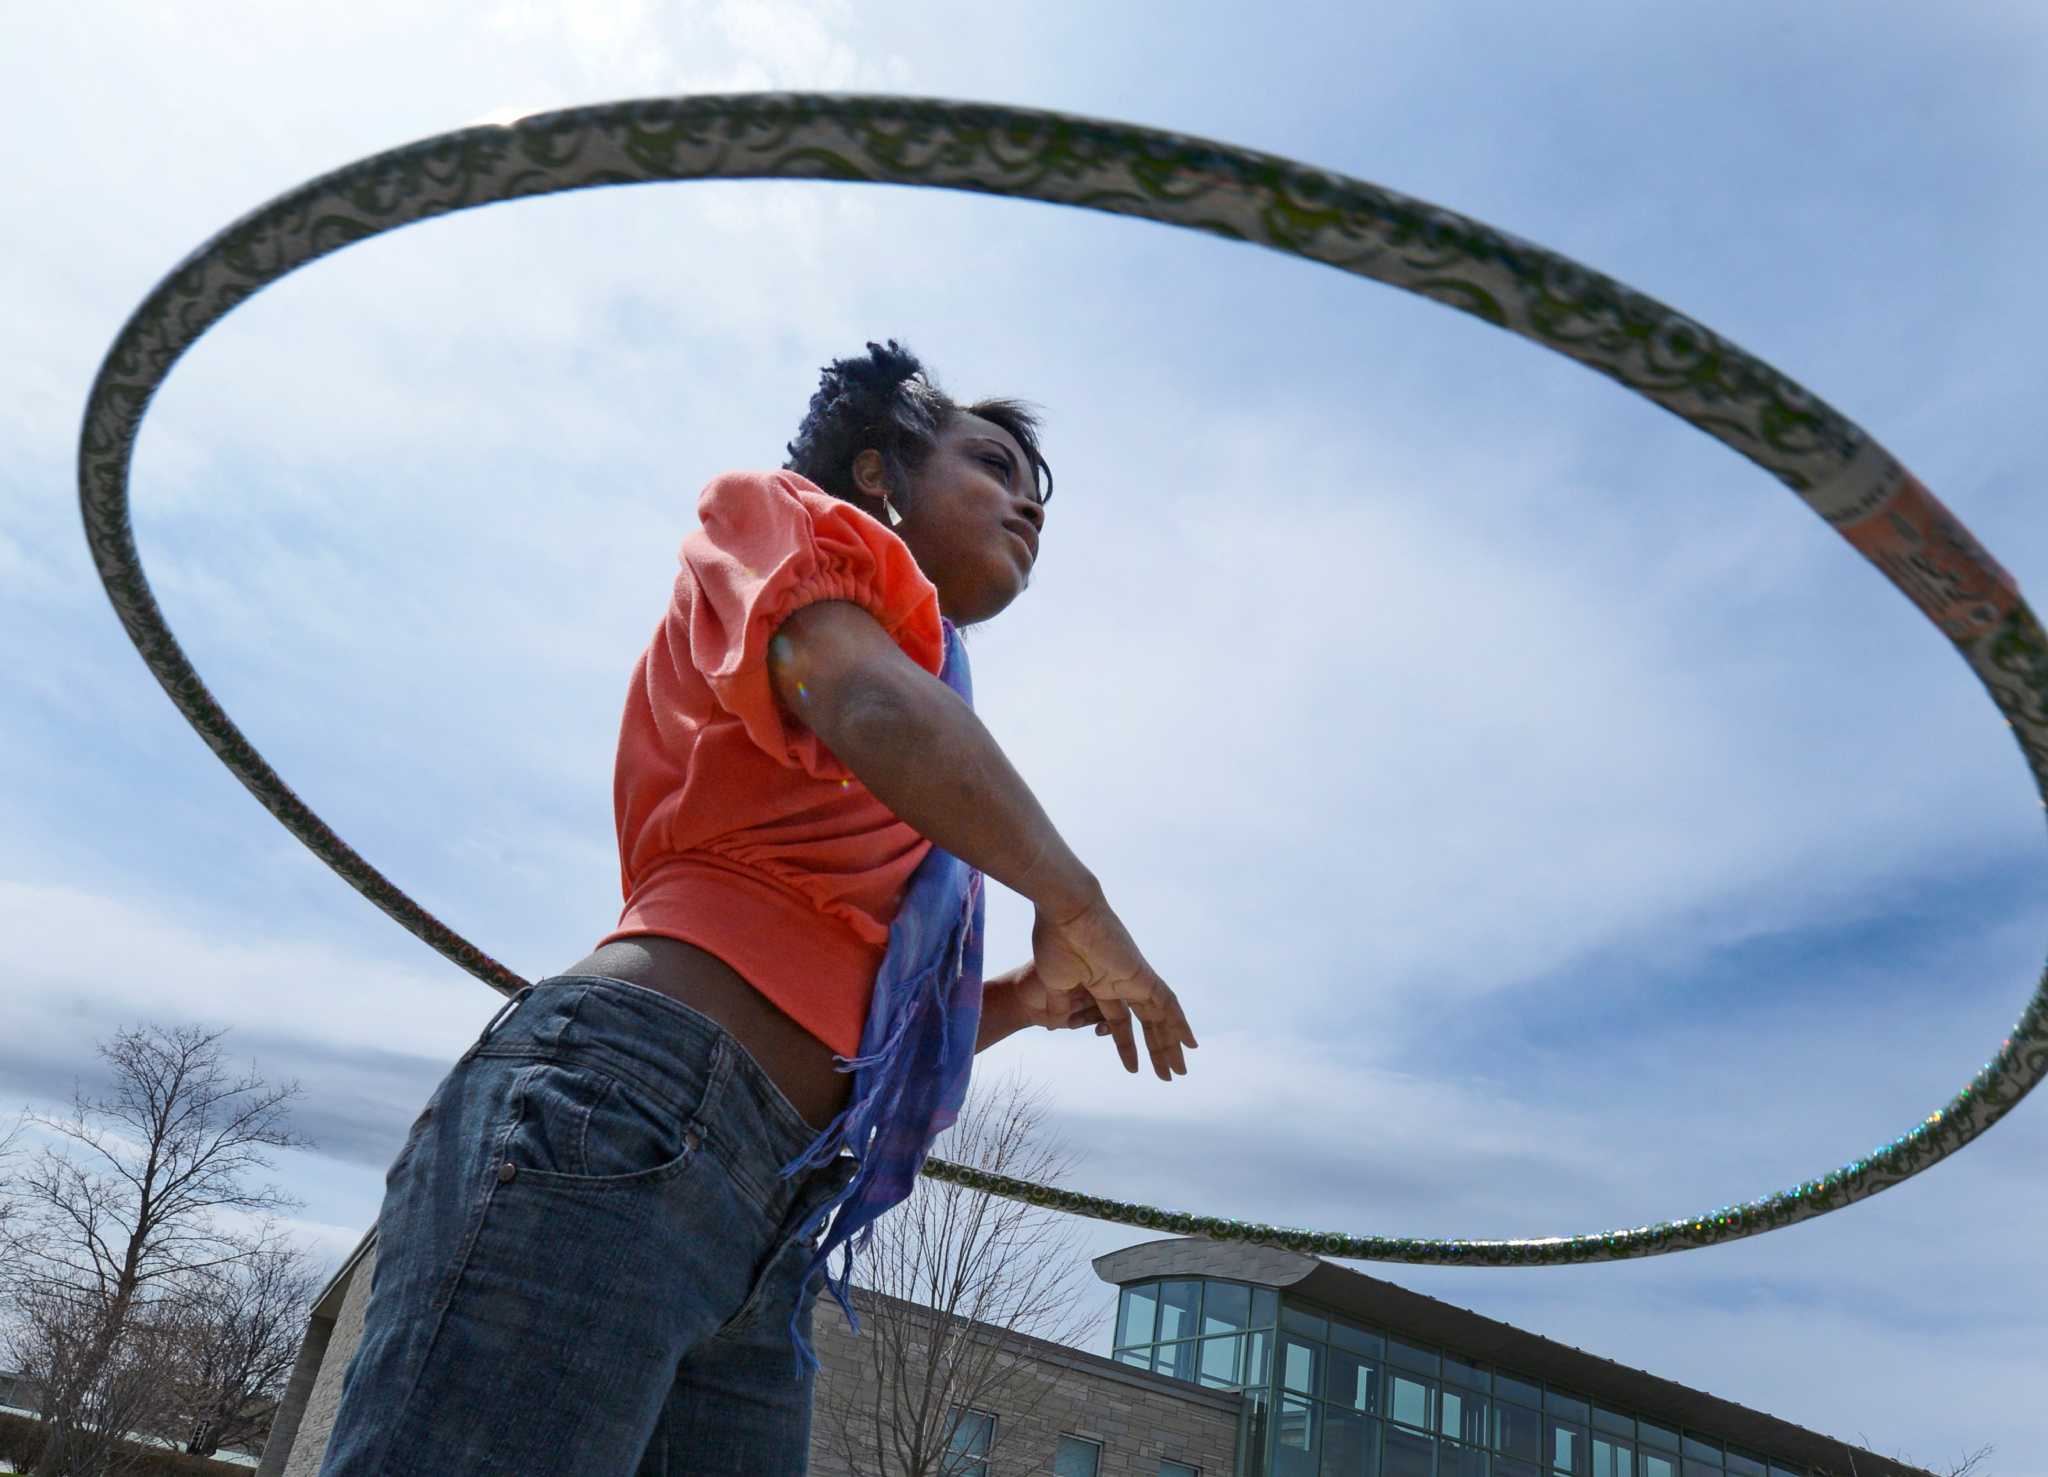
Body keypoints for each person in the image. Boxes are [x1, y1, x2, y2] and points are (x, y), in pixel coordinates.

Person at [318, 341, 1197, 1475]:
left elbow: (861, 1022)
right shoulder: (781, 524)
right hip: (621, 1112)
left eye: (1040, 495)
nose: (1028, 504)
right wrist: (1074, 897)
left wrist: (1026, 996)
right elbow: (859, 696)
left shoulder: (938, 759)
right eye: (994, 463)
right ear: (878, 469)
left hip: (771, 1220)